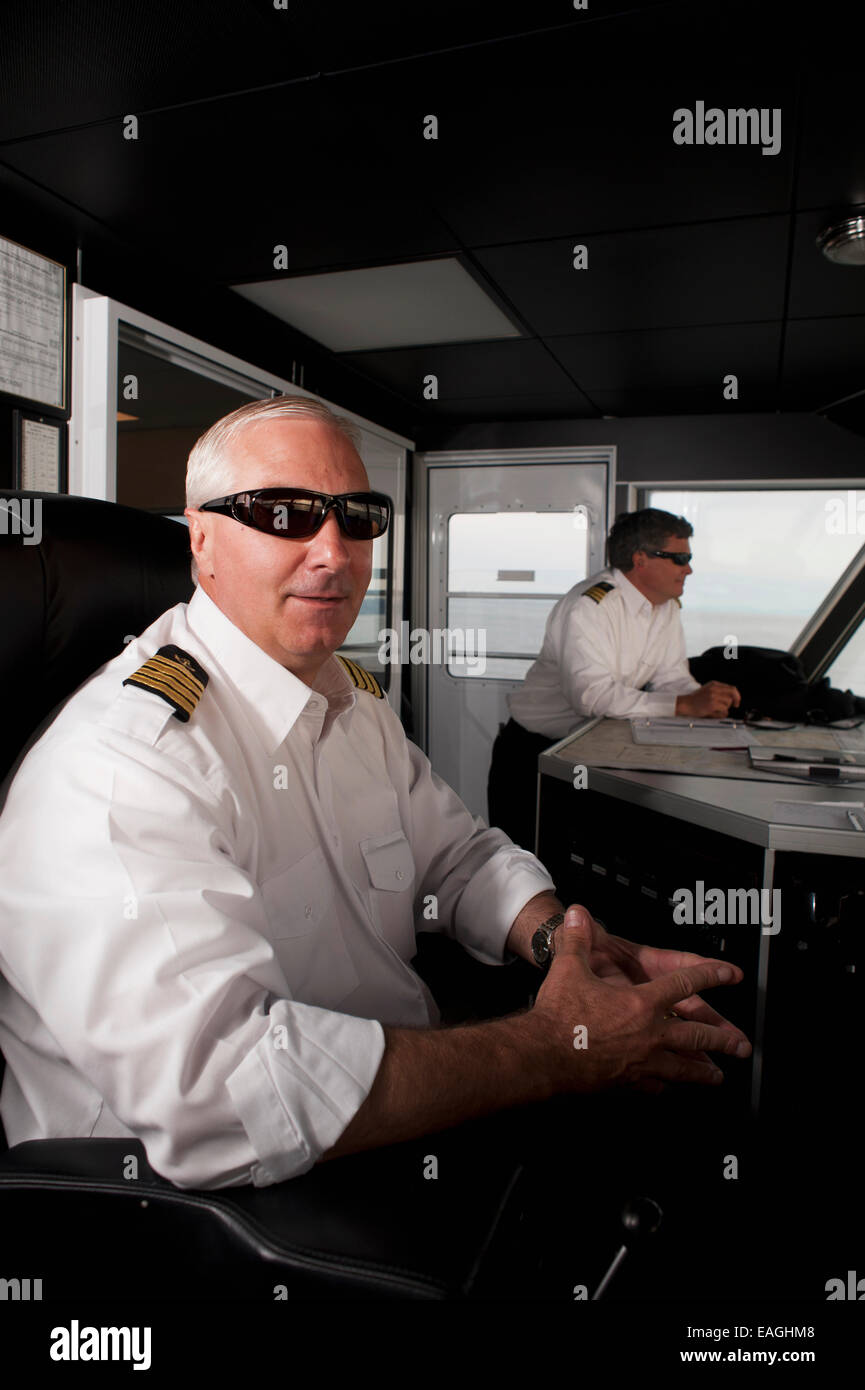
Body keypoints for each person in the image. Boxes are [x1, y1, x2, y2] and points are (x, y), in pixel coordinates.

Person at [0, 401, 750, 1191]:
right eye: (282, 513)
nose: (332, 552)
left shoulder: (348, 701)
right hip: (203, 1201)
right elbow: (228, 1101)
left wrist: (566, 945)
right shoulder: (123, 766)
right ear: (201, 539)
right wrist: (553, 1047)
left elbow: (456, 858)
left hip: (394, 1102)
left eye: (356, 518)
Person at [488, 508, 741, 848]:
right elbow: (592, 697)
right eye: (679, 558)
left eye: (689, 558)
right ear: (641, 559)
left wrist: (706, 706)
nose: (688, 568)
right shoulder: (591, 606)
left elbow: (671, 678)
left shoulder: (664, 608)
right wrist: (684, 705)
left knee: (579, 872)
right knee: (525, 878)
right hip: (535, 757)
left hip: (593, 754)